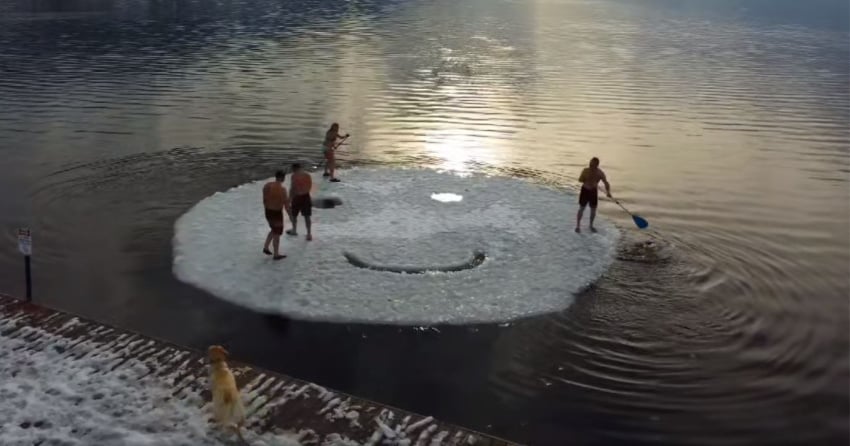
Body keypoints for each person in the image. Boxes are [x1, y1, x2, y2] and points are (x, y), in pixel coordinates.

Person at [575, 157, 612, 234]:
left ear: (597, 165)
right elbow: (580, 180)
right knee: (581, 208)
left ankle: (591, 225)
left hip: (593, 192)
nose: (590, 166)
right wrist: (586, 180)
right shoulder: (585, 170)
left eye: (592, 165)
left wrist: (608, 192)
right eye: (590, 164)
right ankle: (578, 226)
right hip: (585, 190)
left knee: (593, 209)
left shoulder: (600, 173)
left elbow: (606, 182)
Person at [262, 170, 291, 260]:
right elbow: (286, 205)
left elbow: (264, 199)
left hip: (268, 212)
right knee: (277, 234)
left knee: (273, 230)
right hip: (276, 213)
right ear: (282, 178)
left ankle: (266, 247)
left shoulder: (267, 186)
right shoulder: (282, 190)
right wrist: (290, 215)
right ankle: (276, 254)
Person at [286, 163, 313, 241]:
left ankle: (294, 230)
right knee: (307, 216)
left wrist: (289, 199)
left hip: (297, 197)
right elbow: (309, 186)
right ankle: (309, 234)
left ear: (294, 169)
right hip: (306, 196)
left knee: (294, 215)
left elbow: (293, 188)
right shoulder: (307, 175)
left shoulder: (294, 176)